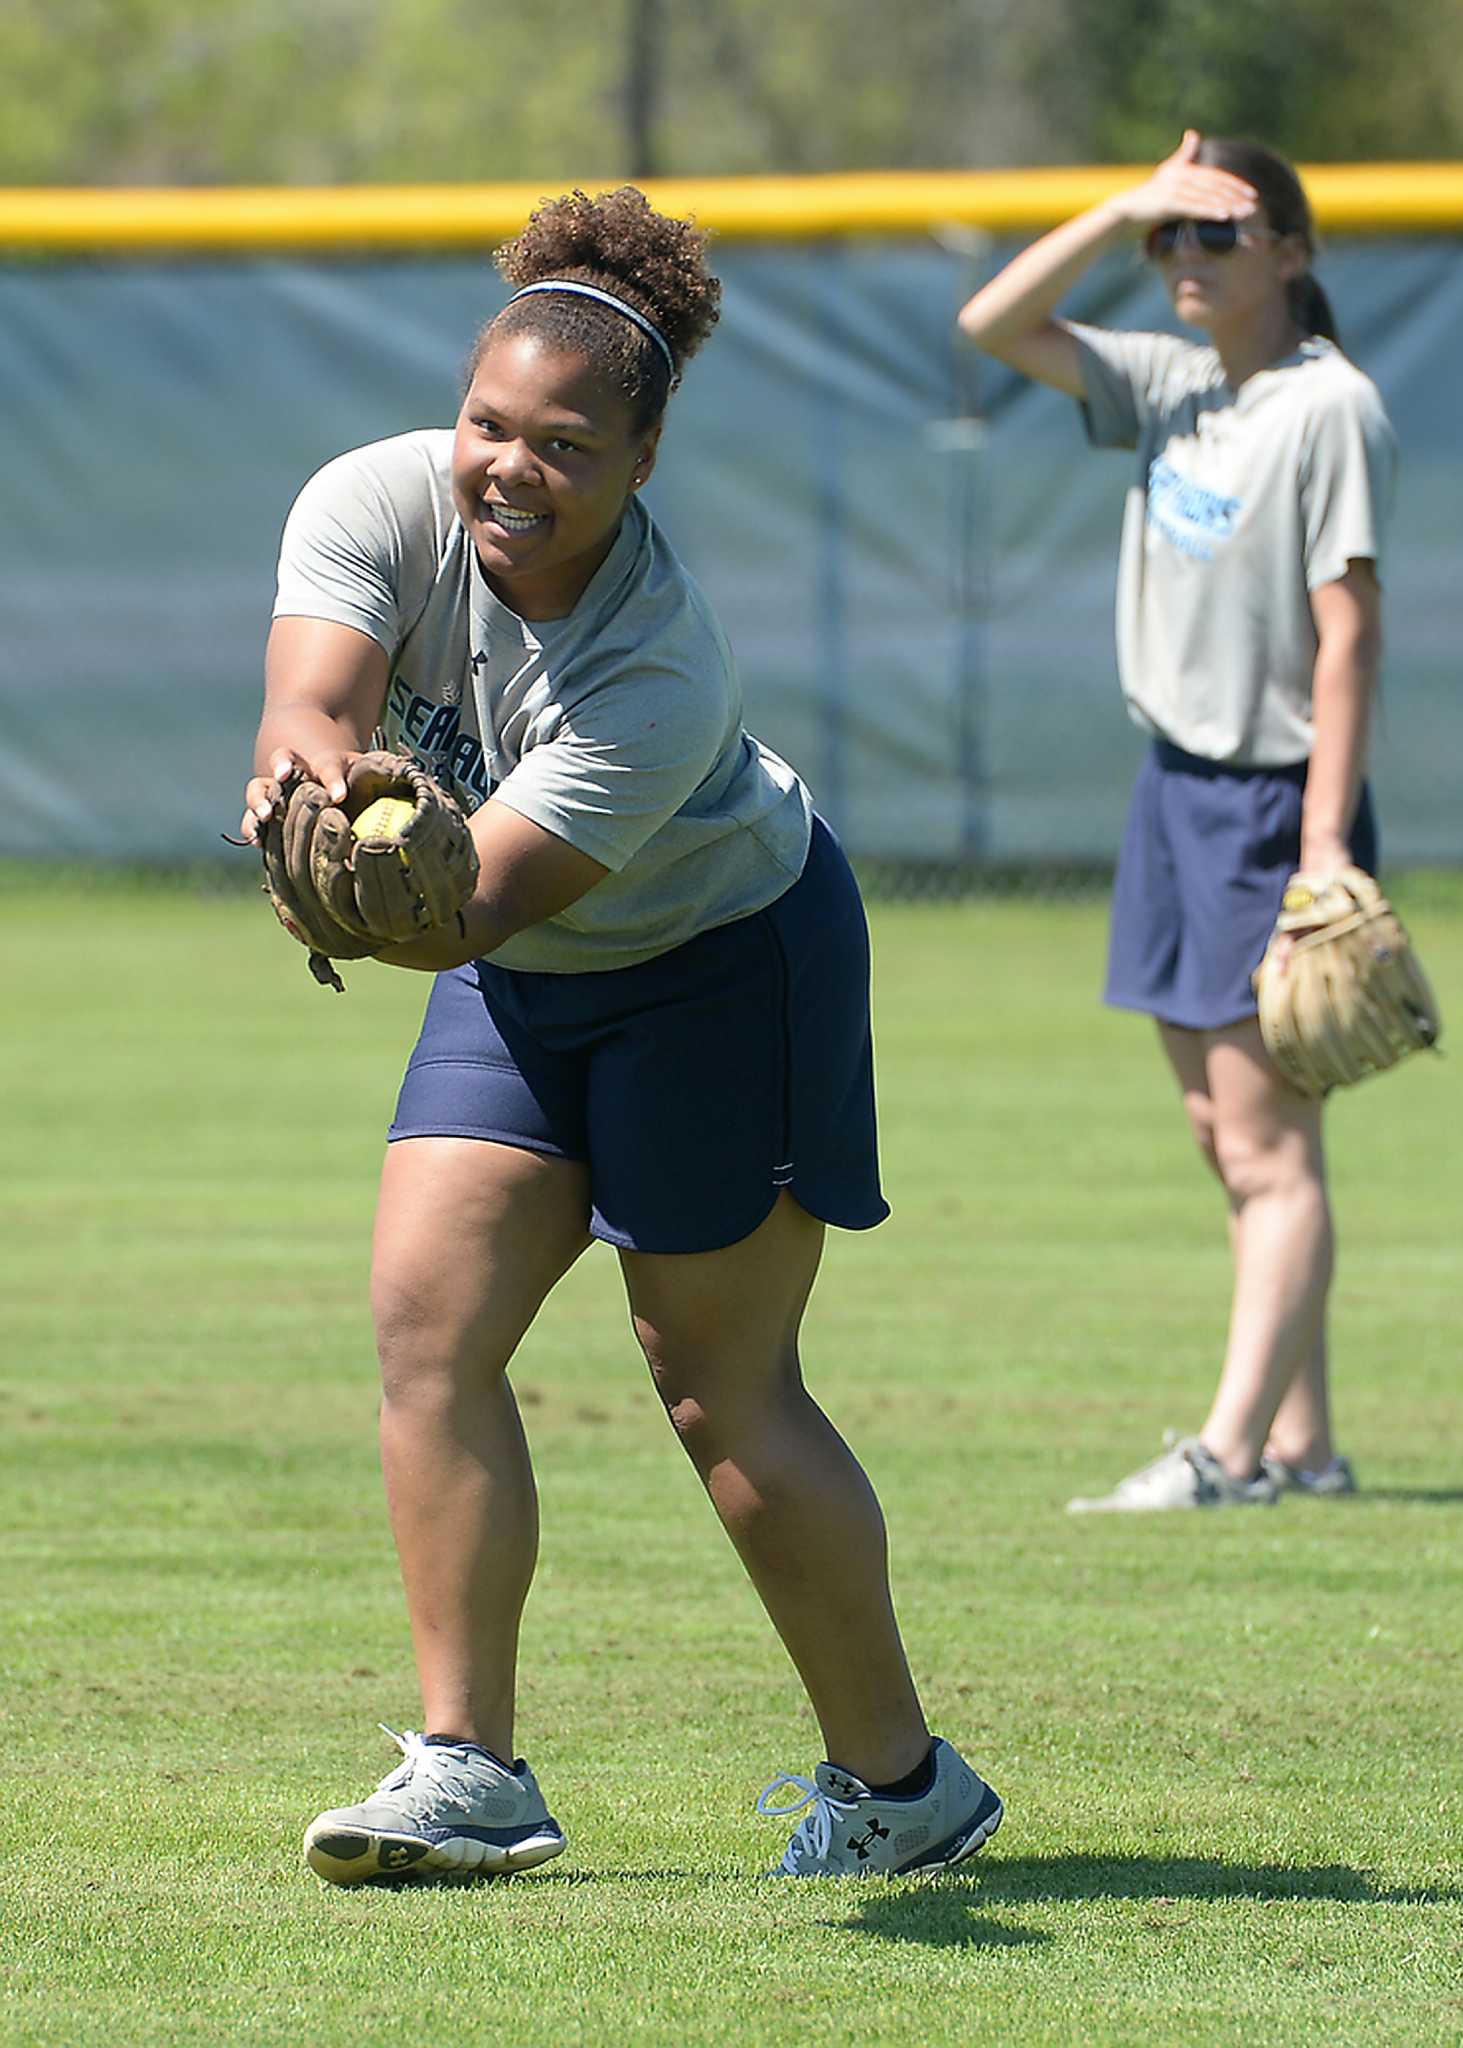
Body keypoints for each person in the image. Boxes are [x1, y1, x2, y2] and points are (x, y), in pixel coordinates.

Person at [240, 185, 1001, 1880]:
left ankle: (900, 1788)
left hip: (722, 961)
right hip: (530, 991)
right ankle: (469, 1768)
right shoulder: (376, 500)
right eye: (487, 424)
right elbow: (309, 706)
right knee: (427, 1334)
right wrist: (311, 790)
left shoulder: (655, 672)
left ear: (640, 465)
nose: (508, 467)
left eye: (564, 445)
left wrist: (367, 885)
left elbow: (472, 905)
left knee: (713, 1386)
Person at [957, 133, 1396, 1511]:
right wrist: (1127, 202)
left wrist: (1321, 842)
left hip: (1270, 799)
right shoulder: (1172, 381)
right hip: (1175, 790)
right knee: (1231, 1141)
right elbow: (990, 324)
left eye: (1218, 234)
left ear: (1290, 253)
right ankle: (1301, 1448)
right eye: (1173, 242)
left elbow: (1348, 633)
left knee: (1269, 1149)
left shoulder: (1327, 409)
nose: (1186, 260)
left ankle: (1221, 1454)